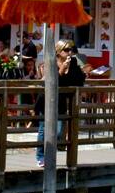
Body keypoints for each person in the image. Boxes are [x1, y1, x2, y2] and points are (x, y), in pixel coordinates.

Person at [34, 39, 86, 168]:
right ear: (59, 51)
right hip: (46, 99)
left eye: (71, 50)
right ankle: (41, 157)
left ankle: (50, 156)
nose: (70, 52)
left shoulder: (73, 62)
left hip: (60, 100)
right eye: (67, 50)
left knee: (57, 131)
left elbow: (79, 80)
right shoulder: (50, 62)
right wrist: (62, 70)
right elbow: (51, 81)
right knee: (44, 129)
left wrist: (77, 70)